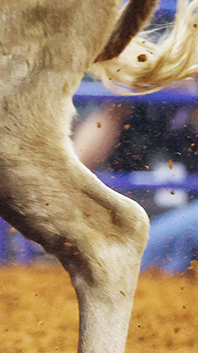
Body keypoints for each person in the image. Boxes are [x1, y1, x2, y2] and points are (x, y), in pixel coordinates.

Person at [74, 101, 198, 274]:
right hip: (132, 222)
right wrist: (116, 108)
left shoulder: (188, 103)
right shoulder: (124, 108)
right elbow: (76, 168)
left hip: (183, 218)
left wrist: (191, 100)